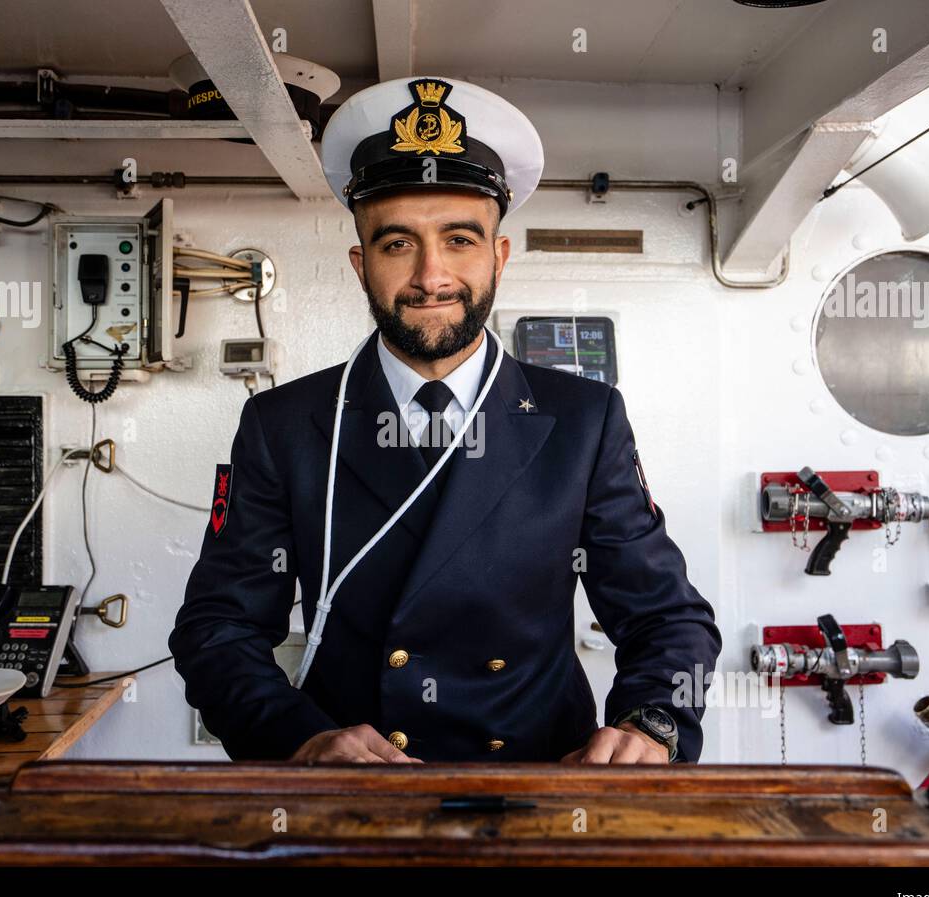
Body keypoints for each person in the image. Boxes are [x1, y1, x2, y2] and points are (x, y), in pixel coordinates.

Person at [169, 76, 721, 764]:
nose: (431, 276)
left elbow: (667, 618)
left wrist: (652, 724)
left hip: (538, 782)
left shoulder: (583, 420)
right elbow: (217, 629)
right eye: (397, 244)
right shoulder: (283, 425)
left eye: (459, 239)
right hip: (355, 789)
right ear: (360, 265)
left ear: (498, 256)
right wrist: (301, 739)